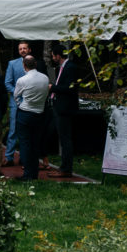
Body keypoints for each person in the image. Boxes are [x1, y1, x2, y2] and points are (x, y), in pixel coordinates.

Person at [13, 56, 51, 180]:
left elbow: (16, 96)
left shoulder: (22, 80)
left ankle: (28, 173)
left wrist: (21, 105)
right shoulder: (45, 78)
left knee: (25, 143)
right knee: (35, 143)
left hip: (25, 113)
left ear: (24, 66)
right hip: (40, 112)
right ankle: (34, 173)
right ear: (35, 64)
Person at [48, 45, 80, 179]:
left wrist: (53, 88)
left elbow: (70, 88)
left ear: (58, 55)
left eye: (53, 55)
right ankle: (64, 167)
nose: (52, 58)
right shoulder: (63, 67)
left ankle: (66, 168)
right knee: (63, 138)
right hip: (60, 105)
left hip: (65, 108)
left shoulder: (70, 67)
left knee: (65, 139)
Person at [3, 40, 33, 166]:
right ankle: (9, 157)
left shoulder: (34, 63)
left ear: (29, 50)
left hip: (31, 100)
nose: (22, 50)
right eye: (20, 49)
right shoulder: (12, 64)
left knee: (28, 130)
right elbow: (7, 82)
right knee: (13, 129)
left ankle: (24, 157)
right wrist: (17, 93)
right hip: (16, 101)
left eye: (24, 48)